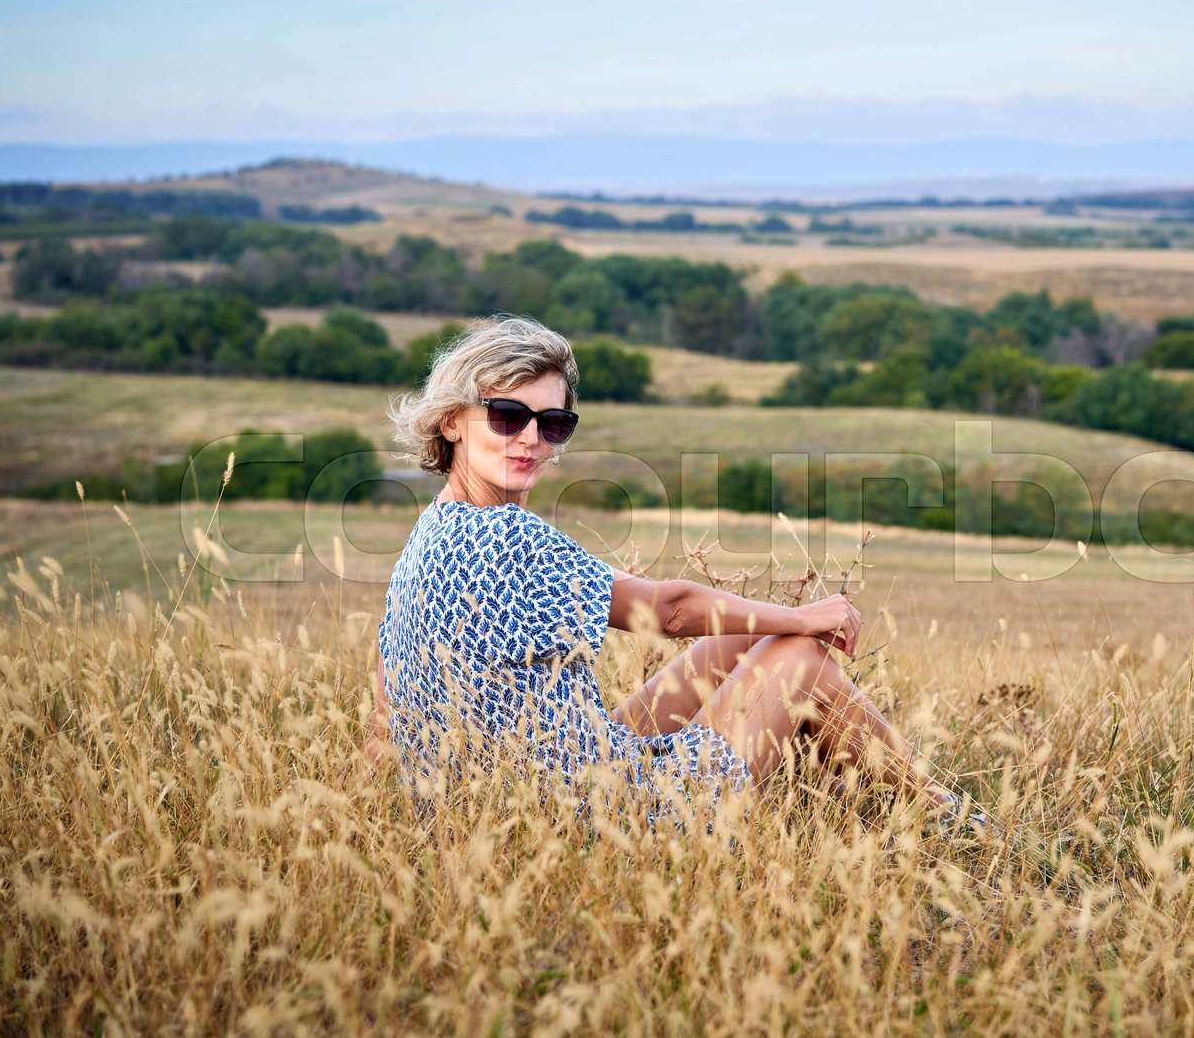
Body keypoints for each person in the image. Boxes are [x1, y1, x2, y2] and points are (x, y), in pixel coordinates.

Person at [370, 314, 974, 828]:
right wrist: (804, 615)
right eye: (506, 416)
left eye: (552, 424)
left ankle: (838, 787)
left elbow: (385, 700)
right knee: (800, 659)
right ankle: (942, 816)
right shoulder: (508, 533)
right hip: (592, 812)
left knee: (740, 639)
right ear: (451, 421)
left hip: (500, 798)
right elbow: (668, 611)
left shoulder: (433, 529)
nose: (531, 438)